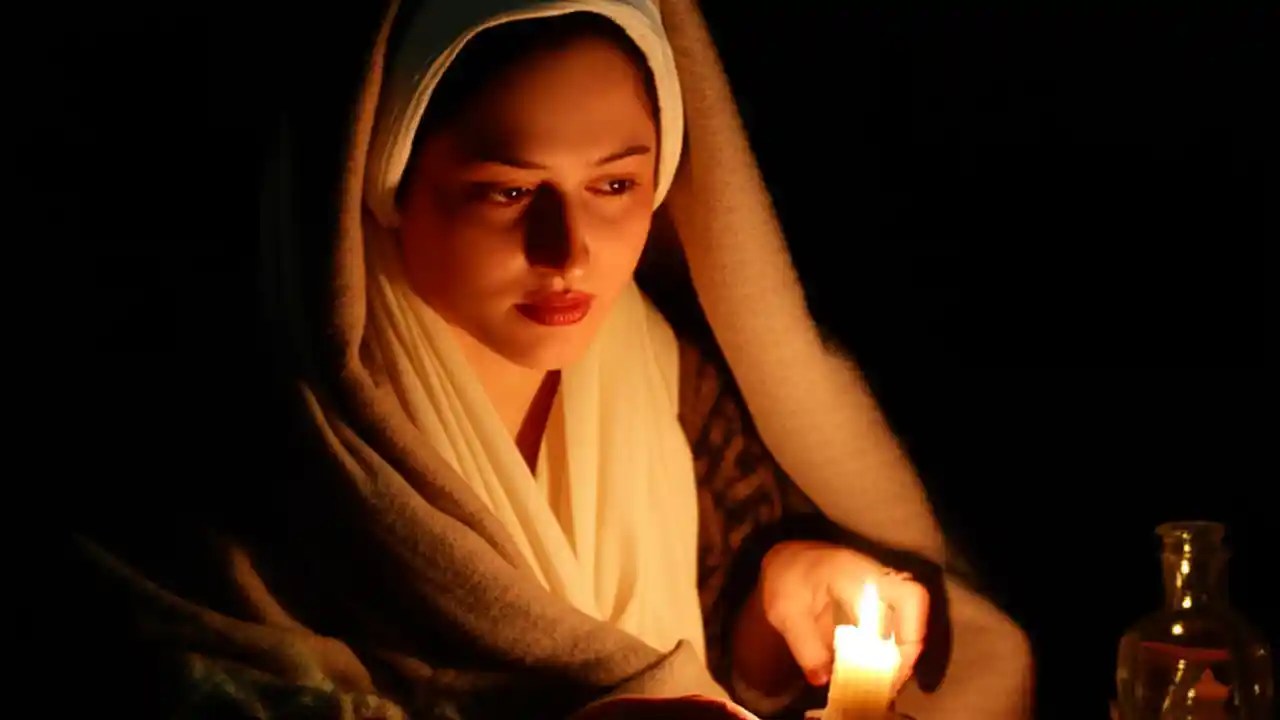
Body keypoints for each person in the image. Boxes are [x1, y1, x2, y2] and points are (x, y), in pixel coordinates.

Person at [63, 1, 1032, 718]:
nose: (567, 250)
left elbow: (730, 659)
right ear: (386, 178)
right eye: (503, 190)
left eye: (614, 182)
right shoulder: (261, 438)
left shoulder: (672, 384)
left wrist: (787, 582)